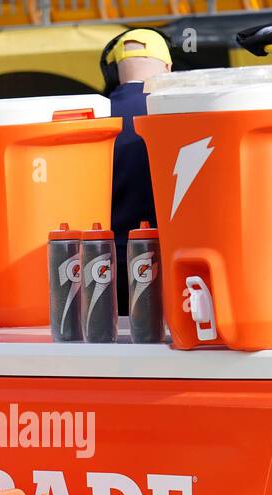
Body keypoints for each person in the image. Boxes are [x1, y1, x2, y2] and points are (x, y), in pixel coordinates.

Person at [100, 28, 173, 308]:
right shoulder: (180, 114)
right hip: (169, 266)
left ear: (113, 72)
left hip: (104, 269)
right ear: (167, 67)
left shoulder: (90, 116)